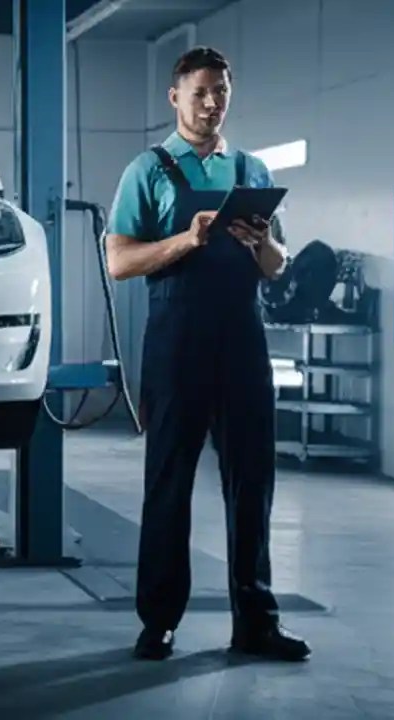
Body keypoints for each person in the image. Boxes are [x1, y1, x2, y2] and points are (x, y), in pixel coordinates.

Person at [104, 46, 311, 662]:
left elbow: (278, 269)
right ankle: (159, 620)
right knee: (169, 479)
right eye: (200, 93)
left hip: (242, 339)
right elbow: (119, 261)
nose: (213, 103)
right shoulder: (147, 170)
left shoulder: (250, 170)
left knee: (253, 480)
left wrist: (264, 243)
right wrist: (183, 239)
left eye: (221, 91)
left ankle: (256, 621)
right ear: (175, 98)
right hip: (177, 339)